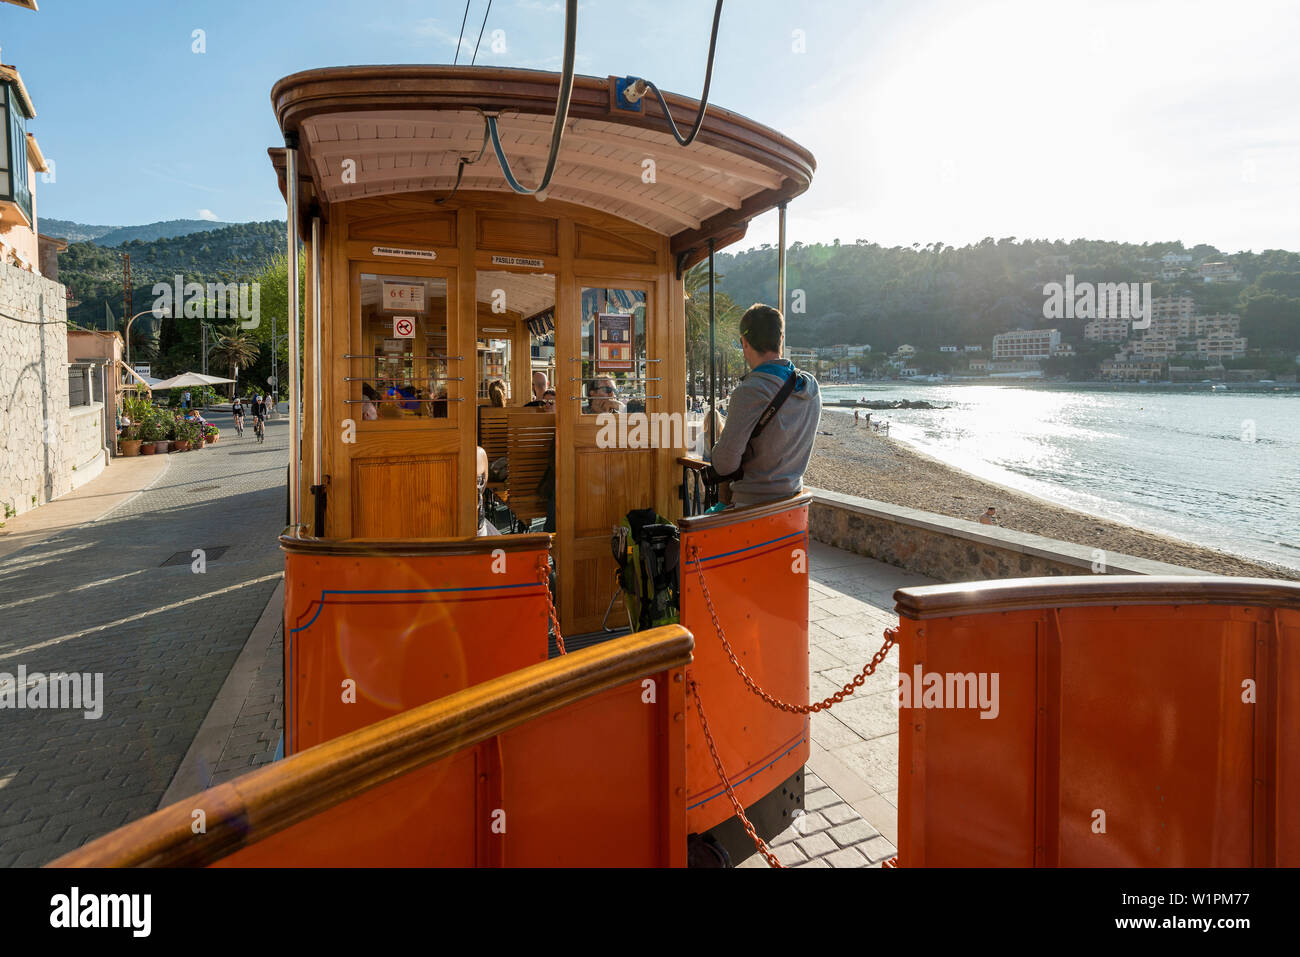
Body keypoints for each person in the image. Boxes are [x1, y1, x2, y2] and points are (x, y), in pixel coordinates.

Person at [707, 303, 821, 508]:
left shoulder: (750, 391)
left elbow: (724, 465)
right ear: (781, 339)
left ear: (744, 343)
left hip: (753, 507)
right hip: (793, 503)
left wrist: (717, 446)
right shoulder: (810, 387)